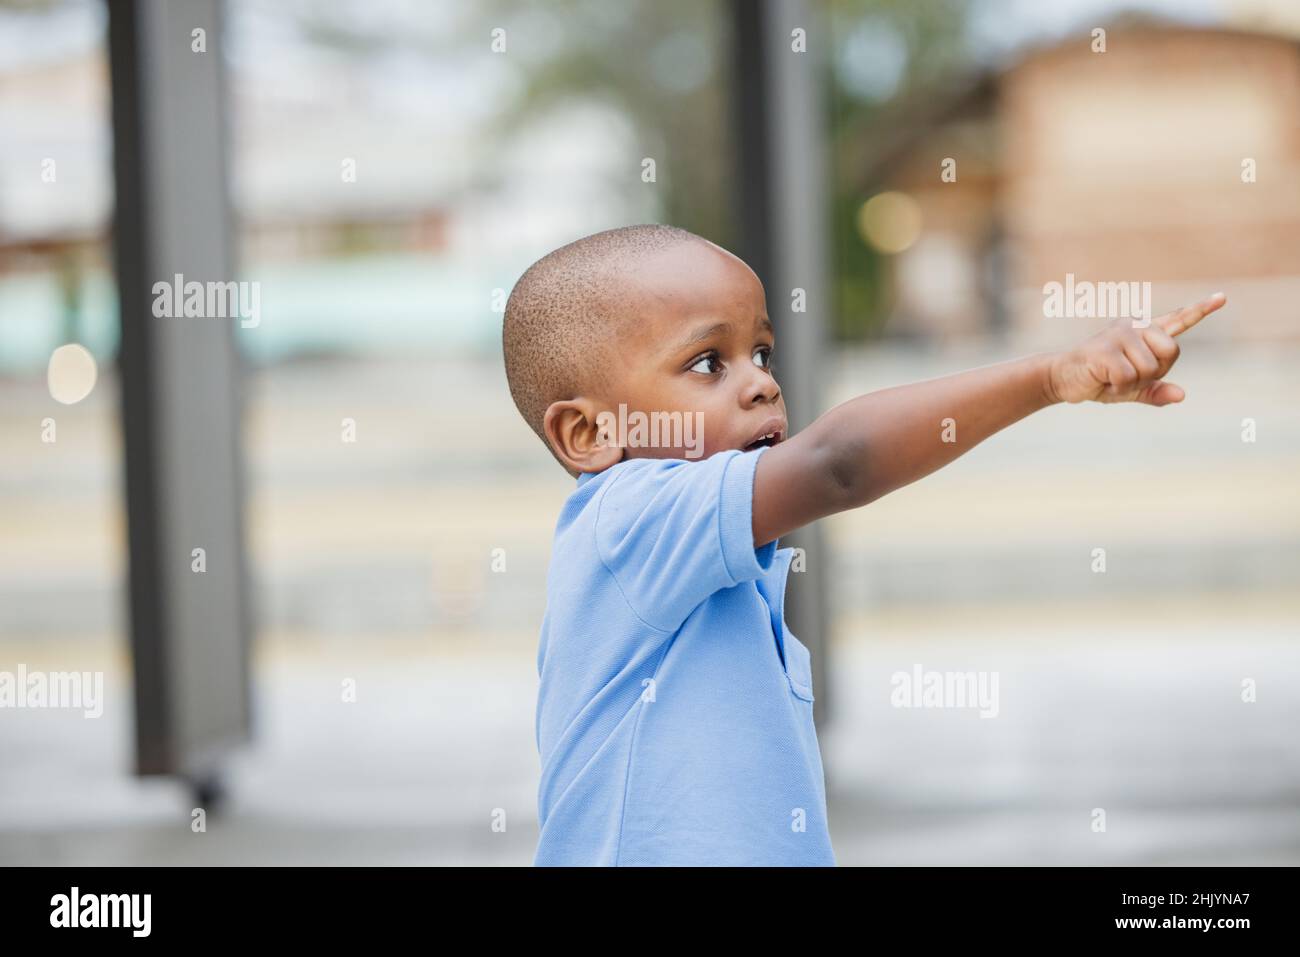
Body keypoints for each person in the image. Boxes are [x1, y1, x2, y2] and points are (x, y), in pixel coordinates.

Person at [502, 223, 1224, 866]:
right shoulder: (630, 519)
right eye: (706, 364)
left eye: (761, 351)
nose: (759, 383)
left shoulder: (700, 556)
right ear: (591, 434)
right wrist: (1048, 376)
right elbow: (839, 463)